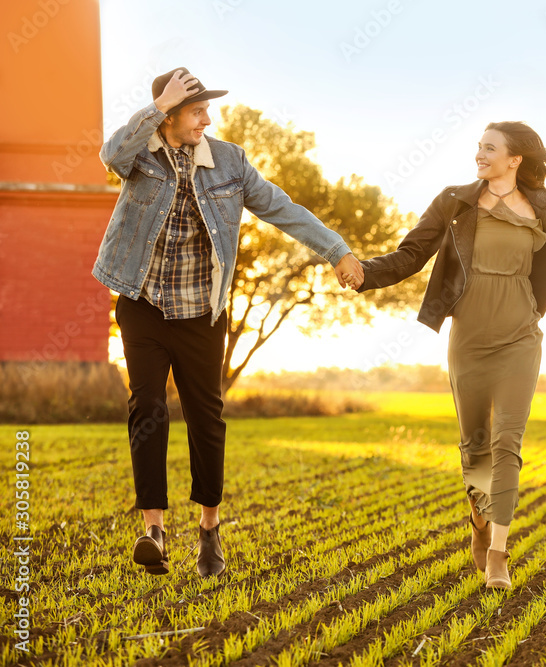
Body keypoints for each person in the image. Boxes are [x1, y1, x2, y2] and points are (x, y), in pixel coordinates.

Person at [351, 121, 546, 588]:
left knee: (507, 443)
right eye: (479, 147)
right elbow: (410, 254)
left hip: (520, 334)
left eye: (489, 148)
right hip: (469, 338)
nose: (480, 154)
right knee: (475, 448)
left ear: (514, 159)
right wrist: (364, 272)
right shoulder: (454, 202)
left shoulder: (544, 208)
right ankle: (479, 521)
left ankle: (499, 552)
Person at [93, 67, 364, 577]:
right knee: (146, 404)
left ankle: (209, 530)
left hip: (201, 312)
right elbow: (110, 155)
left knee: (205, 416)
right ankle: (153, 527)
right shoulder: (140, 156)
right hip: (143, 303)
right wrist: (156, 107)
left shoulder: (230, 163)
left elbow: (283, 209)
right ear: (168, 113)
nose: (206, 119)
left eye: (206, 109)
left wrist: (336, 250)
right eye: (196, 110)